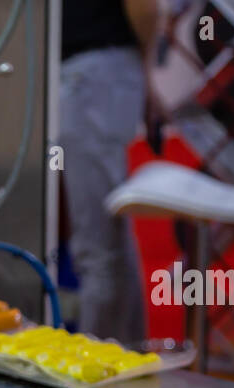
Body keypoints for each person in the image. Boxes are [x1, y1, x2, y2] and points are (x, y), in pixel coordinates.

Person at [59, 0, 160, 344]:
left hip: (94, 74)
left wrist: (146, 69)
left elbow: (145, 7)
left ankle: (98, 375)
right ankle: (128, 364)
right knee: (109, 240)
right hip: (97, 73)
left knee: (100, 248)